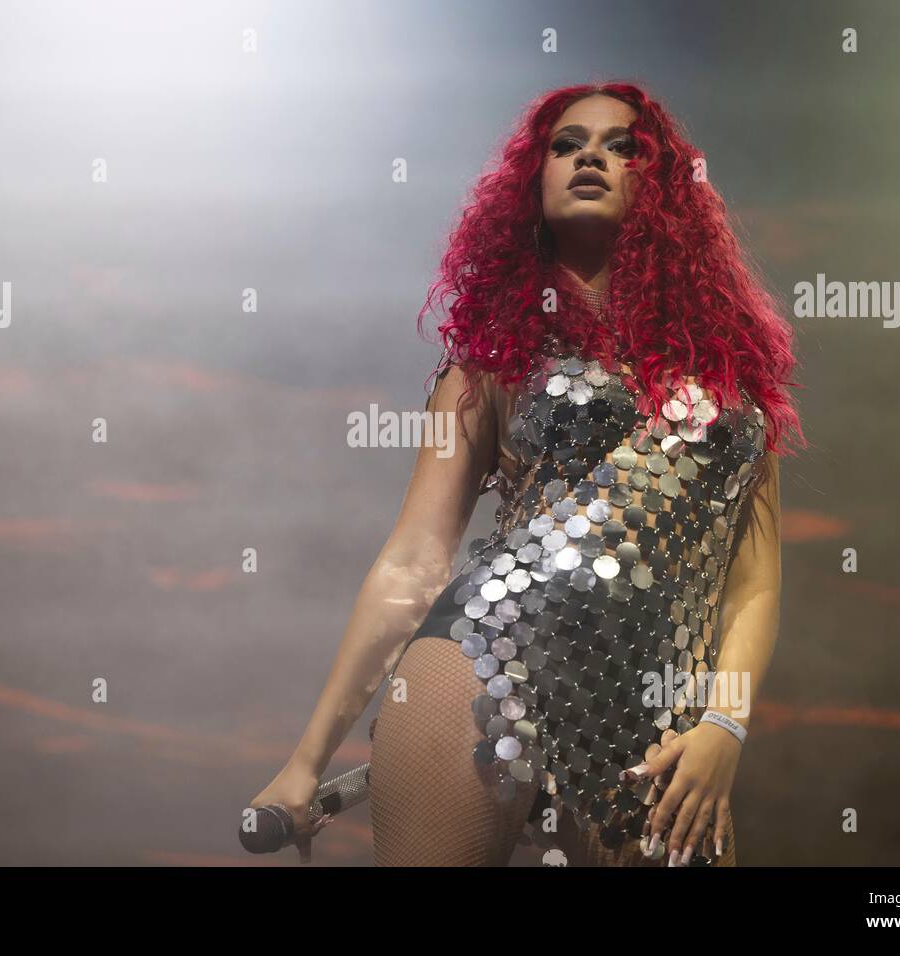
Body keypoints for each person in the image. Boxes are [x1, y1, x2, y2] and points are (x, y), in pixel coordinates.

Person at [249, 81, 804, 866]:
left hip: (655, 710)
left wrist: (727, 722)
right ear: (532, 181)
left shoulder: (733, 378)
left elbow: (755, 588)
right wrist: (306, 762)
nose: (591, 156)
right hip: (481, 666)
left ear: (665, 188)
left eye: (622, 147)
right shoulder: (490, 361)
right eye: (567, 143)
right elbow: (414, 560)